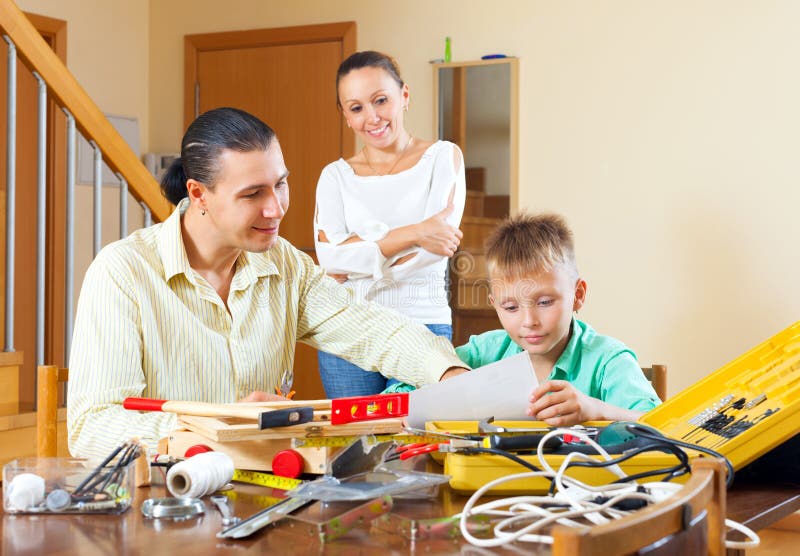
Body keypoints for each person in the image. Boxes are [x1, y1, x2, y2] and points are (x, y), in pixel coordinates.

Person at [67, 107, 468, 459]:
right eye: (252, 194)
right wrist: (221, 425)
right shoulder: (123, 272)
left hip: (257, 494)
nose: (275, 208)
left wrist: (450, 375)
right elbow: (92, 426)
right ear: (198, 194)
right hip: (161, 504)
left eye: (280, 184)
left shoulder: (285, 265)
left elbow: (374, 329)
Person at [314, 51, 466, 398]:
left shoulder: (442, 158)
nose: (372, 117)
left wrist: (358, 263)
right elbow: (330, 259)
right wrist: (415, 232)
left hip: (422, 323)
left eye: (380, 100)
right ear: (346, 116)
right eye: (356, 108)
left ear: (404, 96)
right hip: (346, 327)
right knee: (354, 445)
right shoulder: (334, 177)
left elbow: (435, 250)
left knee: (415, 442)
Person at [455, 212, 661, 424]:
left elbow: (663, 426)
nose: (529, 321)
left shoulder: (608, 360)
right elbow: (419, 384)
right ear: (495, 305)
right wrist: (446, 372)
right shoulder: (484, 352)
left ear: (578, 295)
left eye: (544, 302)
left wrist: (597, 410)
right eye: (510, 307)